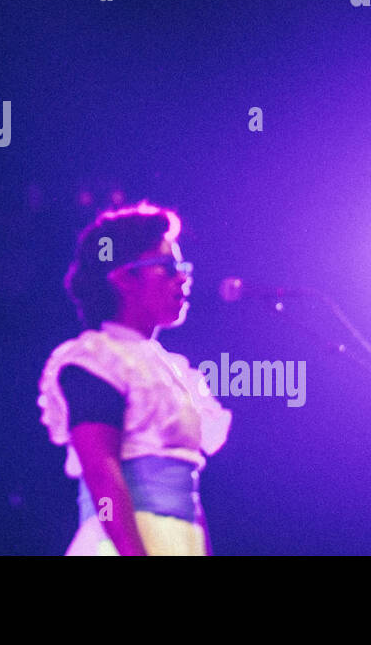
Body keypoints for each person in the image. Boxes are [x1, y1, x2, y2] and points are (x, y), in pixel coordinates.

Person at [38, 201, 231, 555]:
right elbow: (102, 472)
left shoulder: (172, 370)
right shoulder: (96, 360)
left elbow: (188, 491)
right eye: (168, 267)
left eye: (182, 266)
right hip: (122, 544)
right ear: (124, 277)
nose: (183, 277)